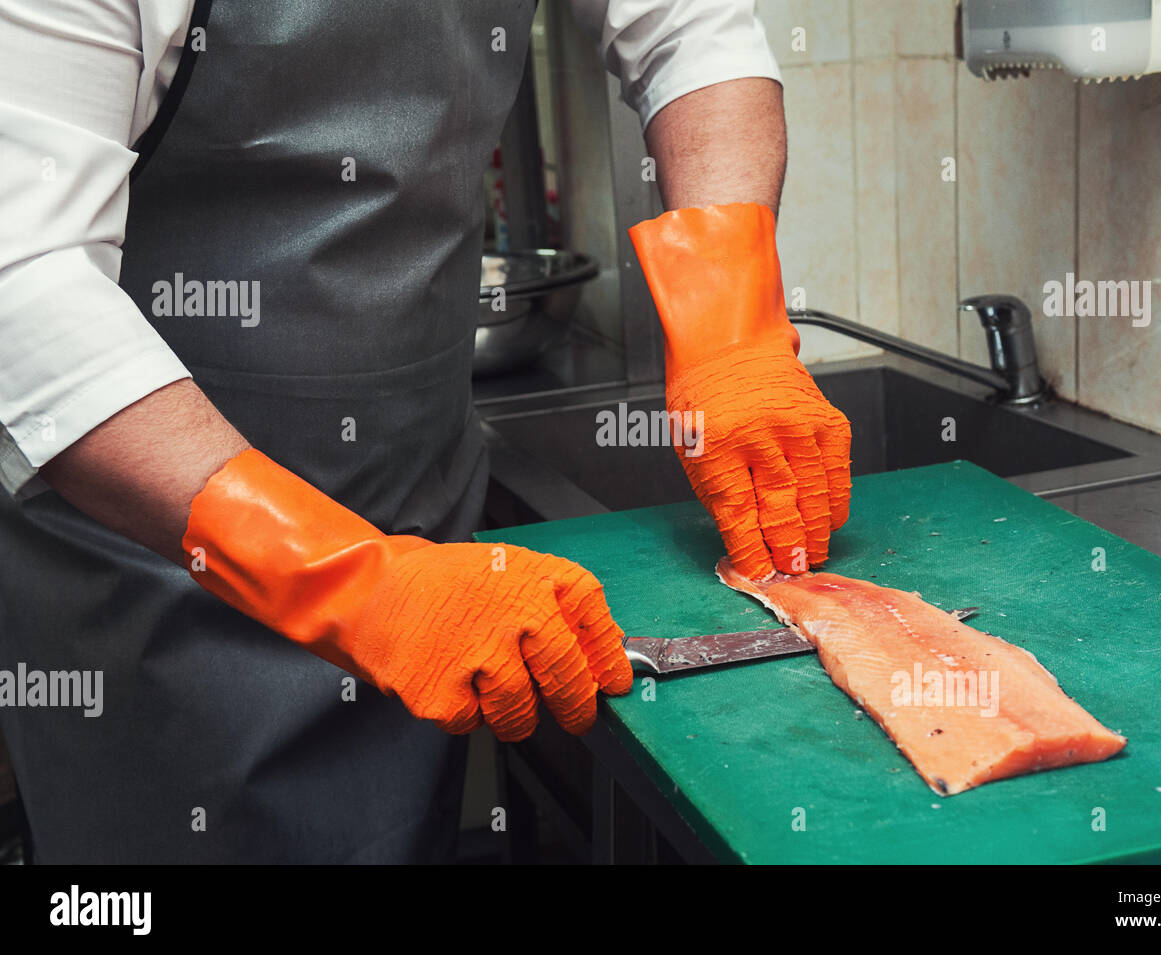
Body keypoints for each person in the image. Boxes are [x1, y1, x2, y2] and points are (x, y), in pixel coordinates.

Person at [0, 0, 851, 862]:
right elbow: (24, 282)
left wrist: (729, 319)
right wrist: (357, 587)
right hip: (160, 568)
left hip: (422, 512)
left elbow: (688, 26)